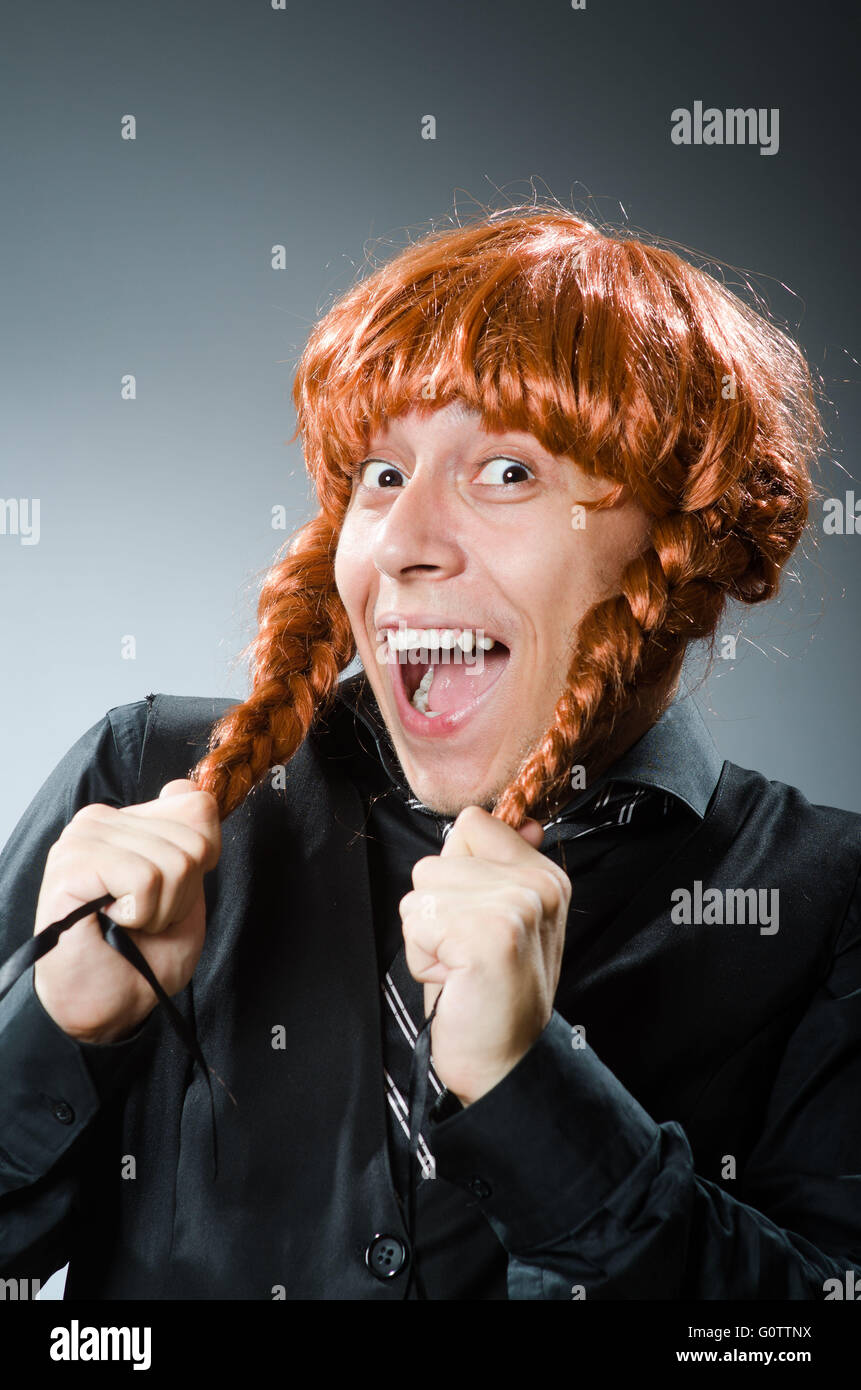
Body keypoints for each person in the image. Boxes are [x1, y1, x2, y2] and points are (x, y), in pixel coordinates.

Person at [1, 205, 859, 1301]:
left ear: (679, 541)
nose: (404, 545)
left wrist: (531, 1090)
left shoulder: (828, 905)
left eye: (506, 472)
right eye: (383, 474)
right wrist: (53, 1034)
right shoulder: (141, 781)